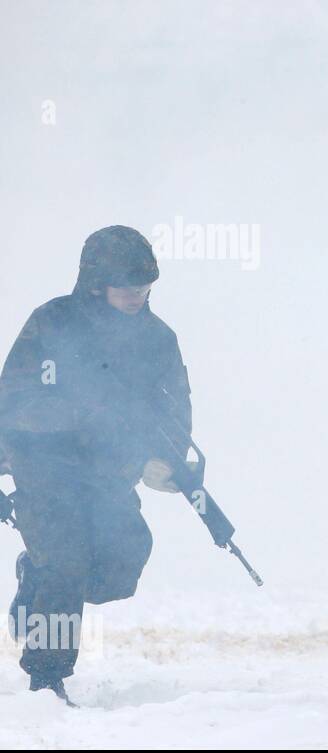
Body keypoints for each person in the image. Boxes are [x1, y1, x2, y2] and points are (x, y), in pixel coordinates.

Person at [0, 225, 194, 703]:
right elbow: (13, 395)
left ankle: (35, 574)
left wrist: (166, 458)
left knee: (120, 565)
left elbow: (174, 408)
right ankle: (47, 679)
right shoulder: (51, 322)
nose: (137, 295)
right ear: (95, 281)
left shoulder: (157, 338)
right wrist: (77, 417)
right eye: (126, 284)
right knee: (66, 563)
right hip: (44, 466)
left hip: (110, 471)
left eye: (145, 285)